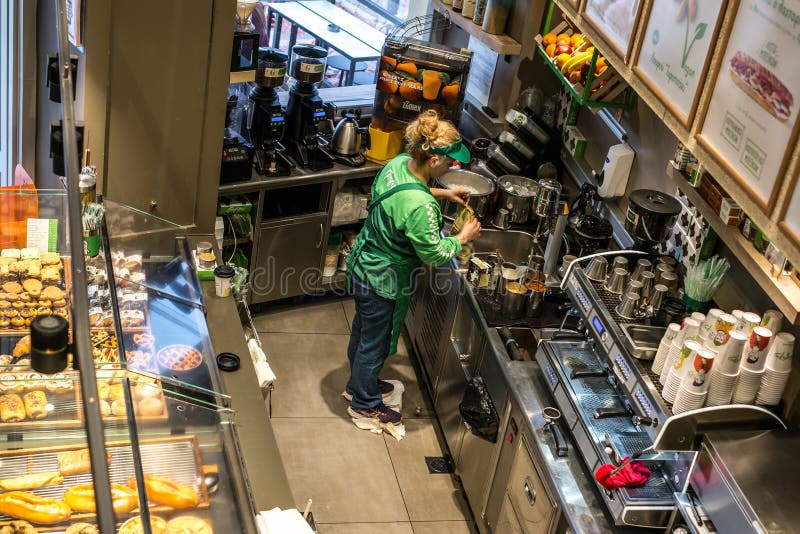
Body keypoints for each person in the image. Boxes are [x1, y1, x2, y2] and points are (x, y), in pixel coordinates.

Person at [344, 110, 482, 425]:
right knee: (374, 344)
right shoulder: (422, 207)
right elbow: (434, 253)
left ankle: (358, 386)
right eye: (450, 162)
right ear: (433, 161)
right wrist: (463, 237)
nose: (453, 166)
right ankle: (364, 404)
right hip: (383, 279)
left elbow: (406, 192)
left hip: (363, 264)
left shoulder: (396, 165)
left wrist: (444, 192)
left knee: (363, 331)